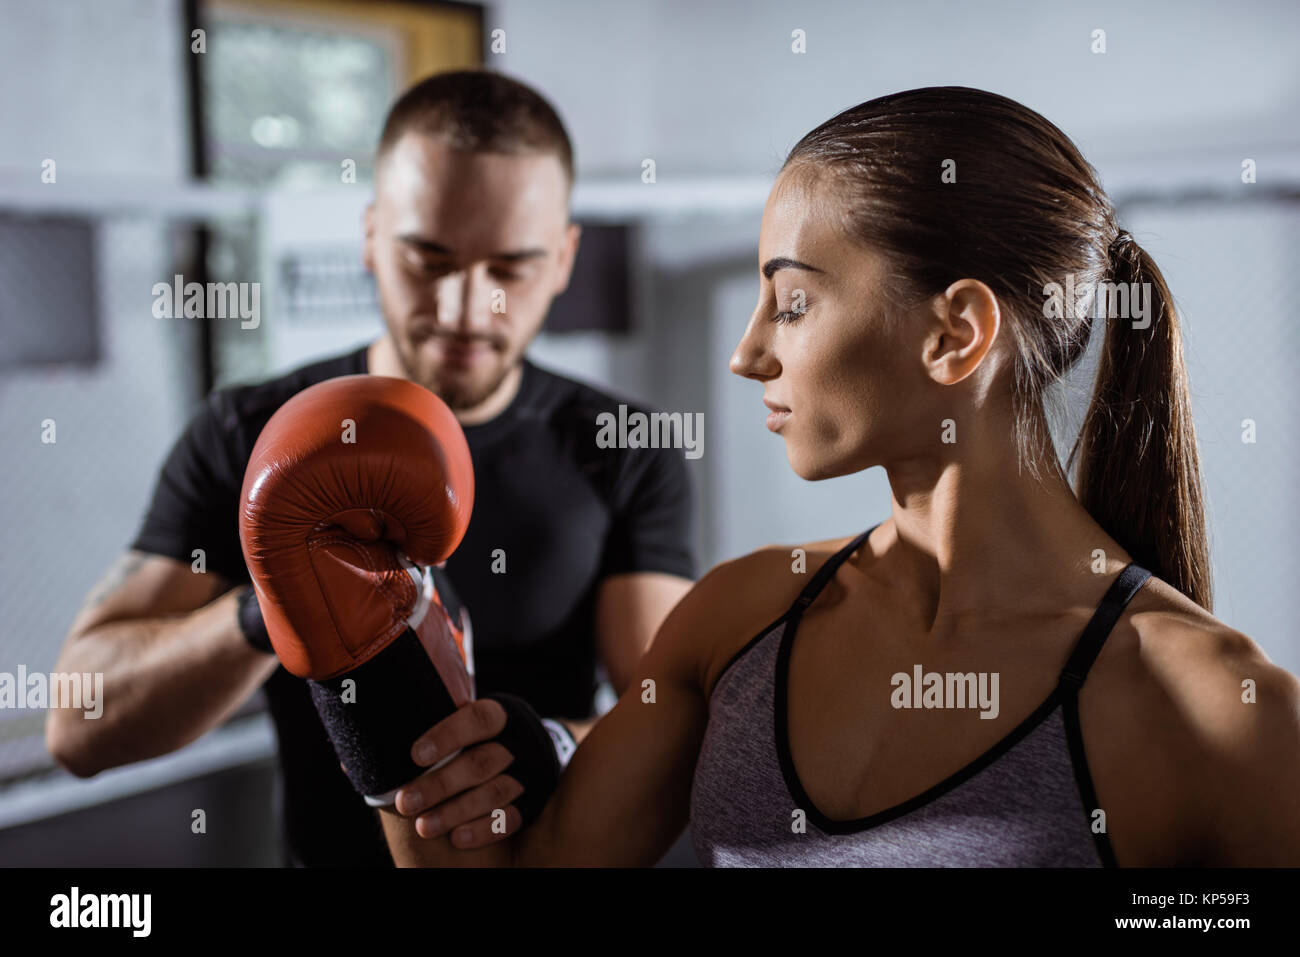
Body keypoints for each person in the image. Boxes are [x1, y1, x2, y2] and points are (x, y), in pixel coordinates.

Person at [375, 87, 1300, 867]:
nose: (747, 353)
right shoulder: (737, 618)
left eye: (793, 300)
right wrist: (367, 668)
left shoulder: (1214, 708)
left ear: (954, 334)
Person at [44, 70, 696, 867]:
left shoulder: (623, 445)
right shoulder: (249, 432)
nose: (463, 308)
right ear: (369, 236)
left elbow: (673, 714)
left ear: (562, 259)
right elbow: (78, 728)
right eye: (428, 257)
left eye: (510, 269)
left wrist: (557, 744)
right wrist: (280, 602)